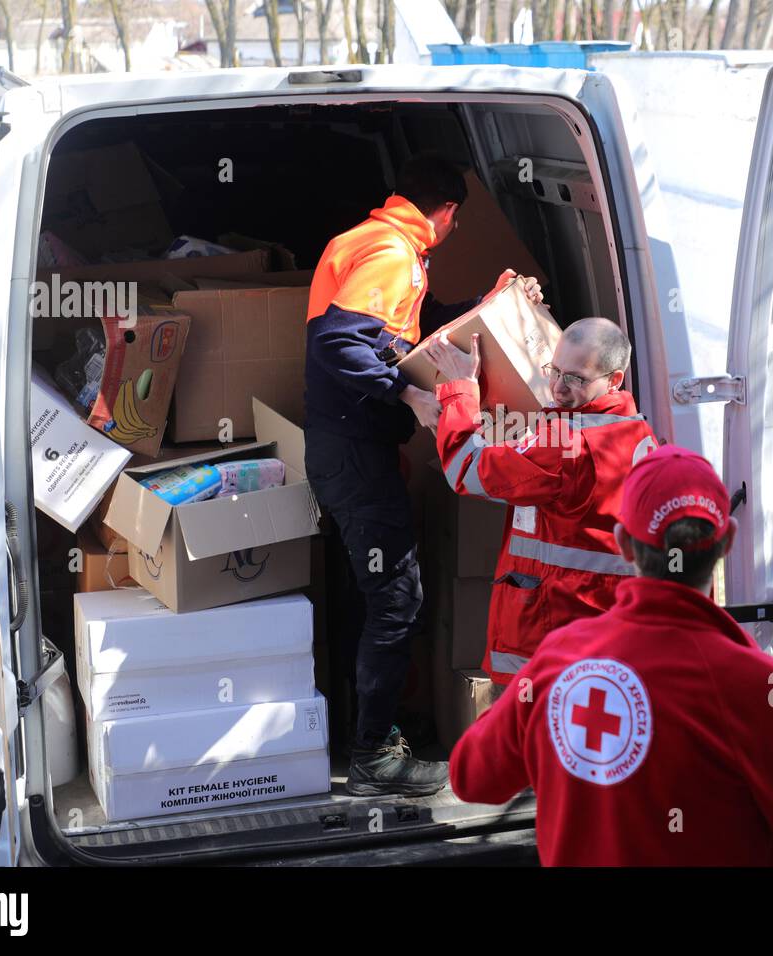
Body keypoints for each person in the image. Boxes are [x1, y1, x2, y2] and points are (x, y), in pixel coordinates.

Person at [448, 444, 773, 866]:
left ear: (624, 544)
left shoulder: (560, 657)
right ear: (727, 538)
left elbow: (472, 778)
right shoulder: (757, 686)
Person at [303, 153, 542, 796]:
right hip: (354, 455)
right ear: (448, 212)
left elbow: (411, 326)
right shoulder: (391, 251)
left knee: (374, 593)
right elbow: (340, 343)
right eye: (457, 221)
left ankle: (370, 728)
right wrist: (408, 397)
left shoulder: (373, 239)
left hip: (349, 451)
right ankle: (374, 757)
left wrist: (485, 306)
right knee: (397, 599)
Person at [424, 317, 657, 697]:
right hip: (601, 637)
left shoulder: (568, 447)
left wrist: (459, 389)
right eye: (555, 370)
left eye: (576, 378)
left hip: (549, 640)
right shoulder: (633, 428)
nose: (558, 387)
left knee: (527, 751)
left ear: (614, 381)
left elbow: (465, 469)